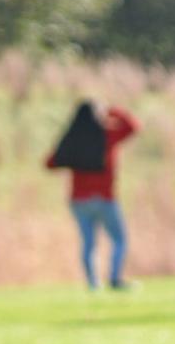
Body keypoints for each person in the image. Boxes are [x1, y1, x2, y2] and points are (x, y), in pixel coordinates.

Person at [44, 101, 139, 290]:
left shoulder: (72, 140)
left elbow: (50, 163)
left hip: (79, 201)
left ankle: (93, 283)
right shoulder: (106, 136)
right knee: (119, 239)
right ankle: (114, 279)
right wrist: (112, 109)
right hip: (104, 198)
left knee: (89, 243)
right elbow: (132, 126)